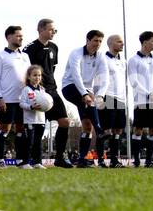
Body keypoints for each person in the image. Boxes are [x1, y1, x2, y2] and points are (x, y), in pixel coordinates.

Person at [25, 19, 73, 167]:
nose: (54, 32)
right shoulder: (30, 48)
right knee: (40, 127)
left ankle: (59, 157)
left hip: (52, 90)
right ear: (41, 29)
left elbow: (52, 69)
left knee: (65, 122)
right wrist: (35, 88)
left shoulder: (54, 47)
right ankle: (35, 160)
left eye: (55, 30)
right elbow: (26, 71)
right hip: (39, 92)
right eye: (51, 29)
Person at [59, 29, 105, 167]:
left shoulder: (100, 56)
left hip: (87, 92)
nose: (98, 44)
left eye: (100, 41)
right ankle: (100, 129)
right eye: (95, 40)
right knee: (90, 105)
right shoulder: (76, 53)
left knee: (86, 126)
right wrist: (84, 94)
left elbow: (105, 76)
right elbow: (76, 74)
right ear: (88, 40)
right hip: (70, 87)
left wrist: (101, 95)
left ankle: (82, 159)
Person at [0, 25, 29, 166]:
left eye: (21, 35)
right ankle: (0, 159)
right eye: (18, 35)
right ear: (9, 37)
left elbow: (29, 76)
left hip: (23, 100)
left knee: (21, 129)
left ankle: (20, 160)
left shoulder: (25, 56)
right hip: (7, 99)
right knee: (4, 129)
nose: (21, 38)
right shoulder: (0, 56)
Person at [127, 31, 153, 167]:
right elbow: (133, 81)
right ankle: (136, 159)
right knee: (138, 129)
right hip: (141, 101)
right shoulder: (133, 60)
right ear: (144, 42)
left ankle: (149, 160)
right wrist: (148, 94)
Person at [96, 34, 127, 167]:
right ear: (110, 44)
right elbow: (98, 79)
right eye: (119, 42)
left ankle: (114, 160)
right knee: (105, 130)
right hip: (107, 97)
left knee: (118, 130)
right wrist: (99, 97)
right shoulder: (102, 59)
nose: (122, 44)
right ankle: (101, 160)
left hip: (120, 99)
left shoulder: (123, 61)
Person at [18, 65, 49, 169]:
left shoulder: (42, 90)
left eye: (39, 75)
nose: (37, 77)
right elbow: (21, 104)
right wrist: (31, 107)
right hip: (30, 121)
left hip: (41, 120)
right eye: (34, 75)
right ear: (29, 77)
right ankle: (25, 163)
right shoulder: (26, 90)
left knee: (38, 142)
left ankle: (37, 163)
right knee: (29, 142)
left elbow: (47, 103)